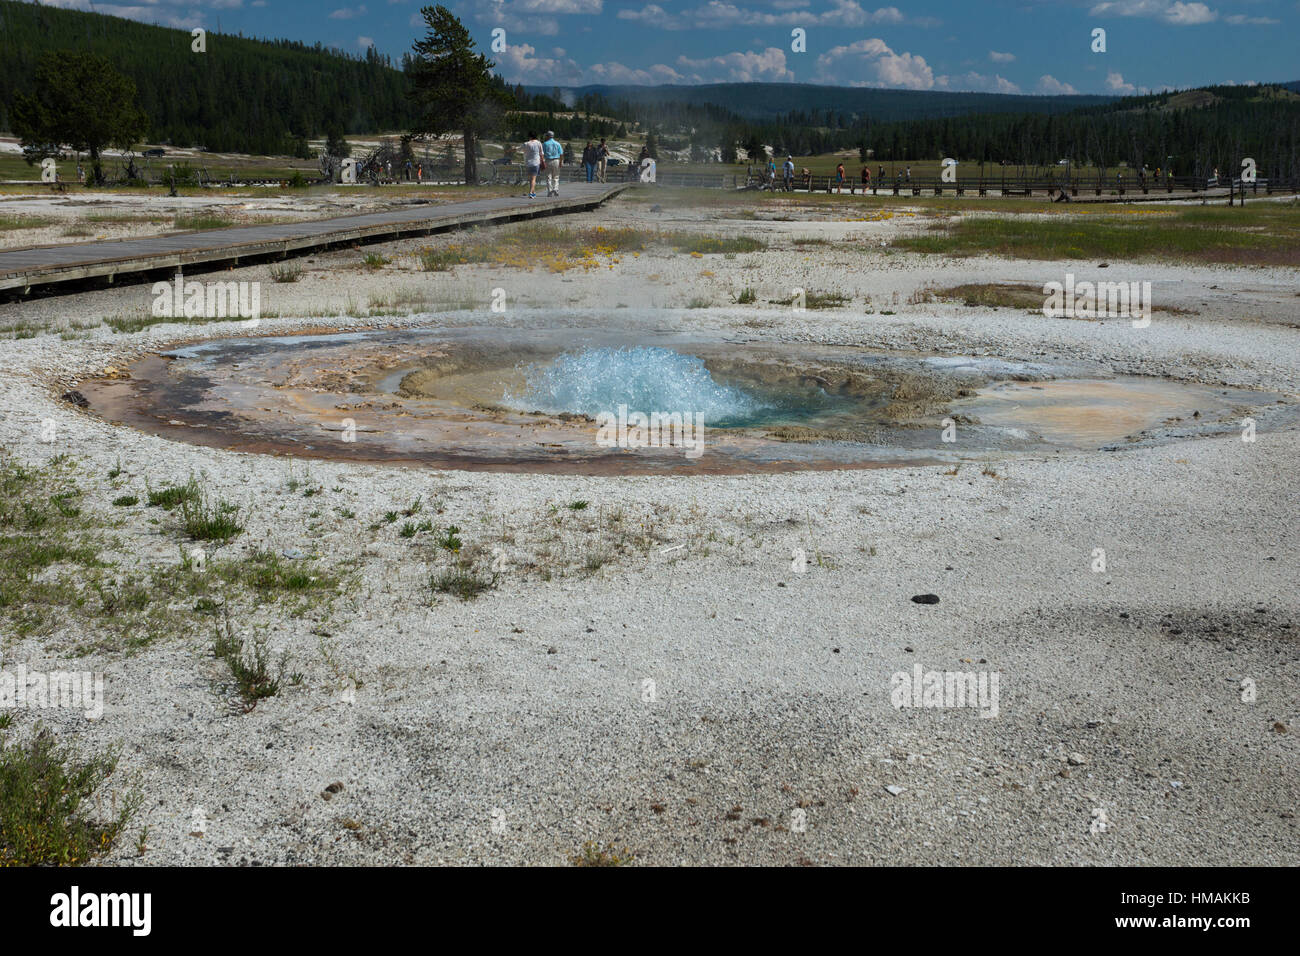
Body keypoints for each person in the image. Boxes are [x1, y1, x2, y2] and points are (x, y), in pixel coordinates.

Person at [542, 131, 564, 196]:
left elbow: (542, 154)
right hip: (556, 160)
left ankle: (550, 191)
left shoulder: (545, 144)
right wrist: (560, 162)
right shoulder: (557, 143)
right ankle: (556, 189)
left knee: (548, 176)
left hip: (548, 161)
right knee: (556, 176)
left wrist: (542, 162)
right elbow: (561, 154)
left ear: (548, 136)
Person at [523, 131, 542, 198]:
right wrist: (543, 162)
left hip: (528, 163)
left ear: (529, 136)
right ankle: (531, 192)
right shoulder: (539, 143)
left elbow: (519, 149)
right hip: (536, 163)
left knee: (530, 179)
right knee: (533, 179)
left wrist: (511, 149)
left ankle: (533, 193)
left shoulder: (526, 143)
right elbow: (541, 153)